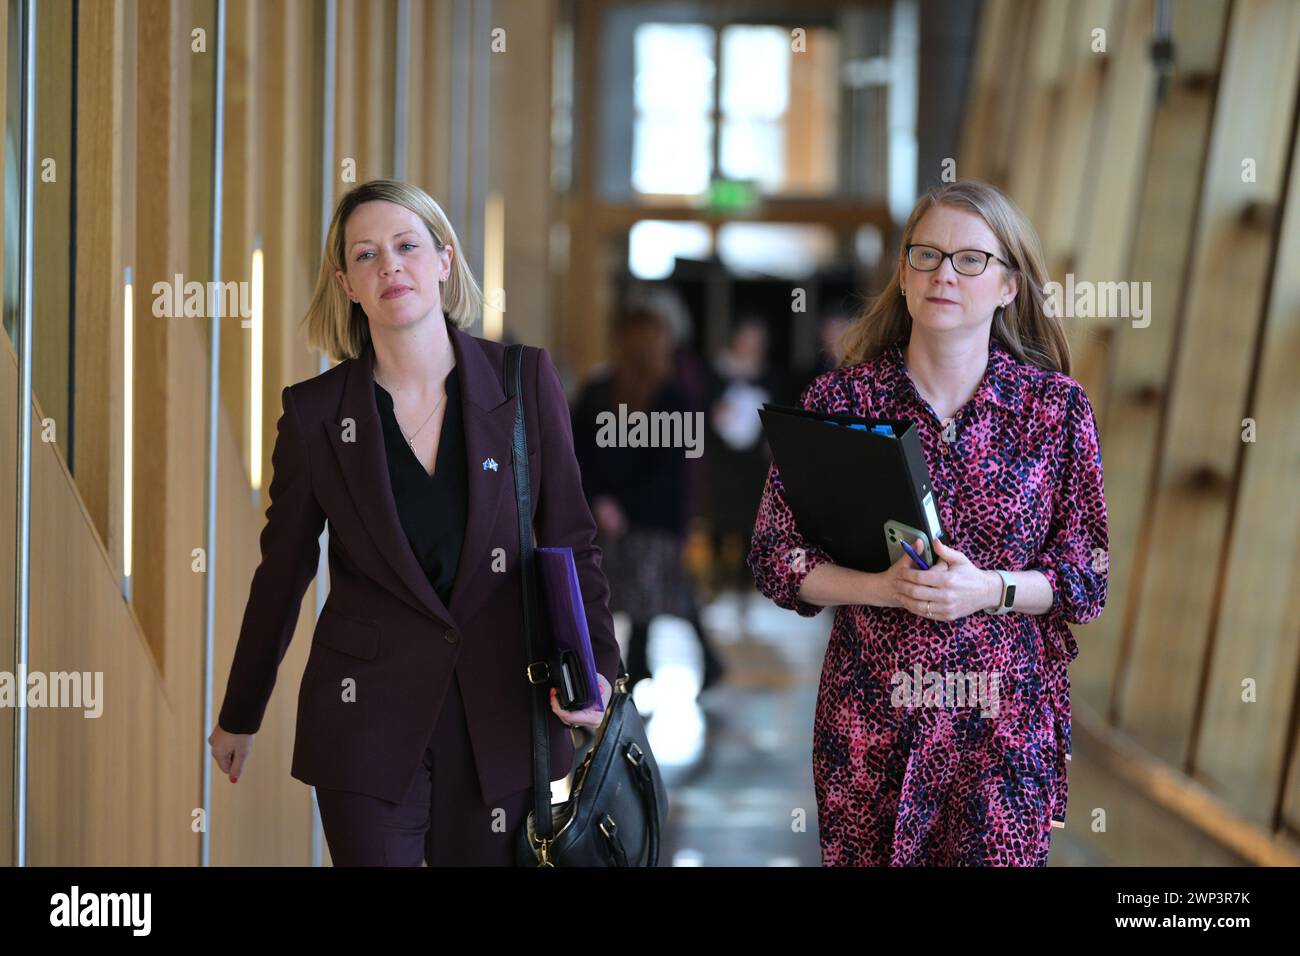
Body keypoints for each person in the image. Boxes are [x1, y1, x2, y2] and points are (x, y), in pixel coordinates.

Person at [207, 179, 619, 866]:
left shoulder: (522, 382)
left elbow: (571, 540)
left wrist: (598, 671)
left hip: (499, 710)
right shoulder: (315, 414)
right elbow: (283, 569)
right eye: (365, 256)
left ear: (444, 261)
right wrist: (240, 712)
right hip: (365, 720)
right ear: (345, 282)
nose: (389, 266)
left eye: (406, 246)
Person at [747, 180, 1109, 866]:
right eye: (927, 255)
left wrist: (989, 589)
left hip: (1004, 730)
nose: (945, 273)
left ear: (1008, 285)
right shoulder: (841, 399)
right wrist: (882, 589)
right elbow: (774, 556)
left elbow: (1086, 578)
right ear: (904, 275)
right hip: (870, 726)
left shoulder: (1054, 411)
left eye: (970, 259)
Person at [570, 304, 725, 694]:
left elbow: (579, 458)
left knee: (643, 590)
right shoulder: (657, 396)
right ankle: (645, 664)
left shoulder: (632, 394)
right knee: (654, 588)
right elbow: (676, 469)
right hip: (647, 518)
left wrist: (607, 502)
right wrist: (604, 501)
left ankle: (638, 665)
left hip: (642, 519)